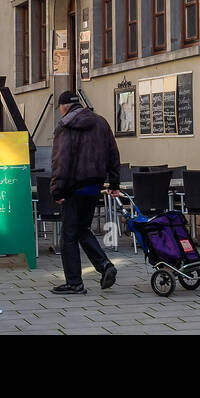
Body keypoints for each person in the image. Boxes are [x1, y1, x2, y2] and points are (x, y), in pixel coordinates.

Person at [49, 91, 120, 295]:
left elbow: (60, 161)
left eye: (60, 108)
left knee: (68, 236)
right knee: (82, 229)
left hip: (73, 187)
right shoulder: (101, 123)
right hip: (94, 186)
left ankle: (74, 283)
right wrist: (114, 182)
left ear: (64, 107)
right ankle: (105, 266)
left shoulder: (65, 126)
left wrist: (57, 190)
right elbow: (113, 154)